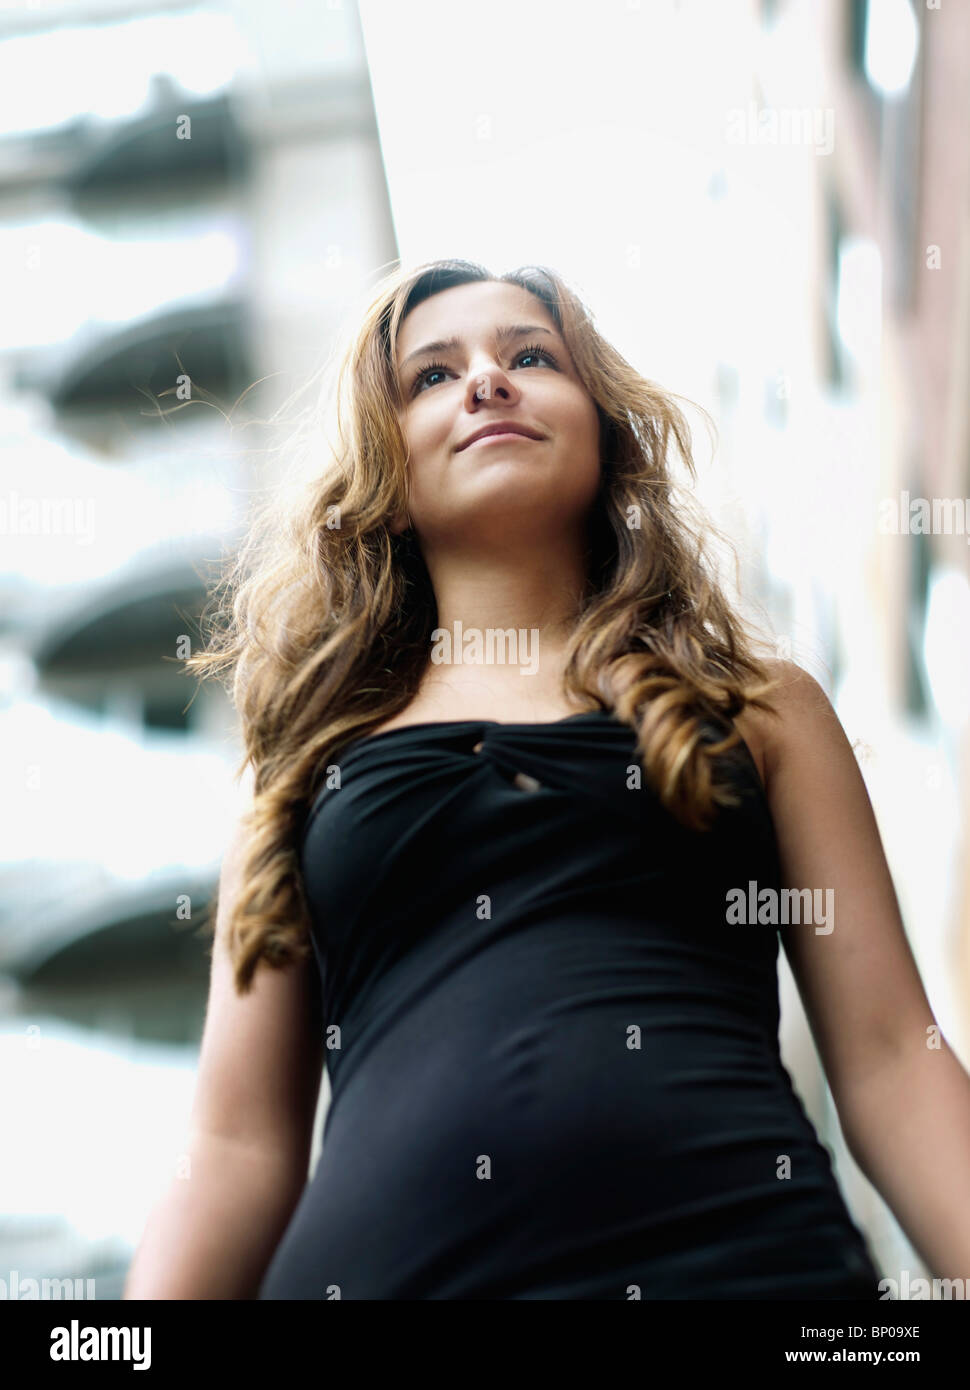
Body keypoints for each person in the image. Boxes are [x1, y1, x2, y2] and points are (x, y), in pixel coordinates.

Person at [123, 258, 970, 1300]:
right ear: (384, 481)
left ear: (606, 431)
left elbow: (892, 1055)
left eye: (529, 356)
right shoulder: (304, 764)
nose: (486, 380)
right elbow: (235, 1144)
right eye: (432, 375)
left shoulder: (757, 706)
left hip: (745, 1263)